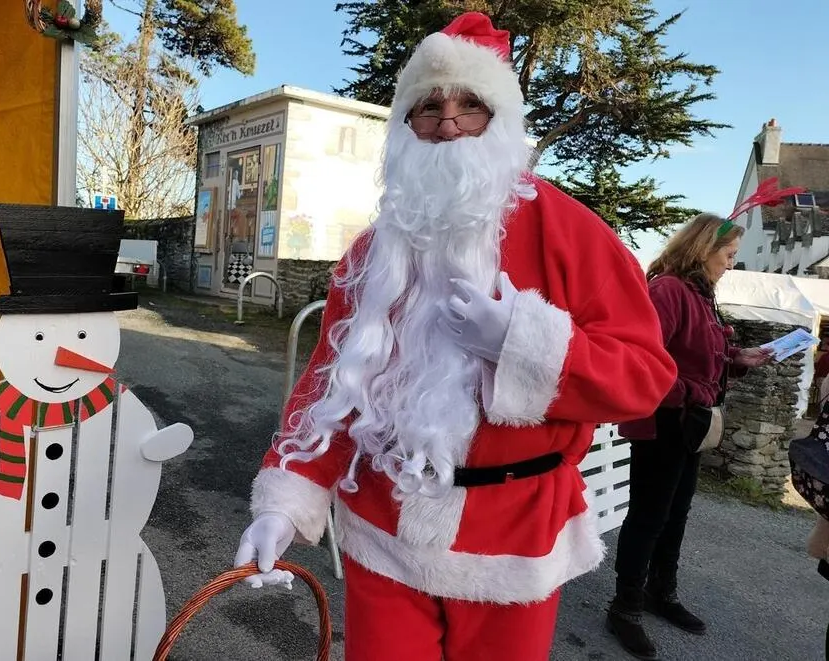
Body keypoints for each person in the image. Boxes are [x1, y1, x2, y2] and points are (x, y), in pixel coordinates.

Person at [233, 12, 677, 661]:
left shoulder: (571, 232)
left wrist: (524, 343)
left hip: (514, 543)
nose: (447, 122)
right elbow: (329, 386)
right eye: (427, 107)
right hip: (384, 534)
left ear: (500, 121)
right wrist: (284, 500)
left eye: (470, 105)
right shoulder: (372, 253)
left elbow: (645, 376)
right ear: (403, 127)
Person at [608, 213, 773, 659]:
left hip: (690, 422)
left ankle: (662, 592)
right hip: (666, 422)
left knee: (675, 514)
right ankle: (625, 607)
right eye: (729, 254)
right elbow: (644, 360)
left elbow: (703, 354)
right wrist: (692, 394)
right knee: (650, 515)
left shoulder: (701, 294)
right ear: (703, 249)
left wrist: (740, 357)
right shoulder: (669, 291)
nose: (732, 263)